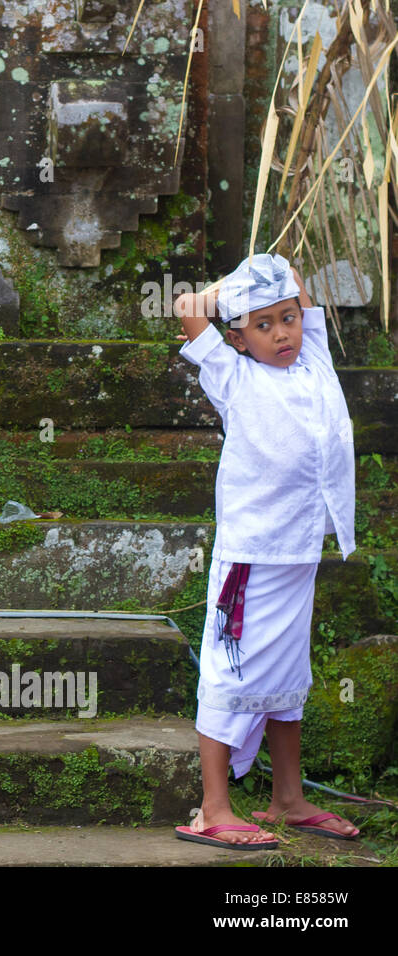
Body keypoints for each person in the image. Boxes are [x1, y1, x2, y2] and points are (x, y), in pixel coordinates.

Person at [171, 252, 359, 848]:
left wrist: (275, 273)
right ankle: (213, 807)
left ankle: (287, 798)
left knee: (288, 674)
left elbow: (297, 287)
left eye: (288, 318)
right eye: (263, 324)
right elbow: (186, 307)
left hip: (300, 548)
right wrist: (240, 284)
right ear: (238, 337)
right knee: (230, 671)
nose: (282, 333)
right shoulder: (232, 375)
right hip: (252, 555)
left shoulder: (315, 361)